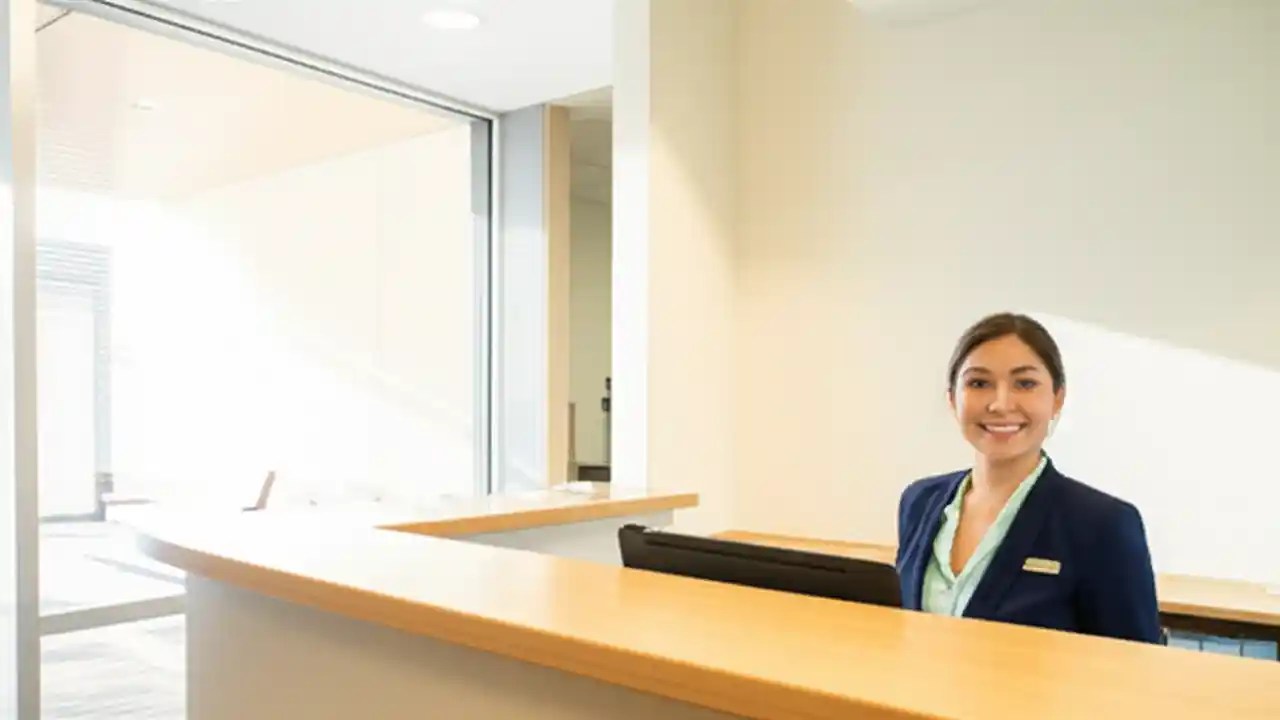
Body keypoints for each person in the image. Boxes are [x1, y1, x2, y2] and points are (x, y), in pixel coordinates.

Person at [895, 312, 1162, 643]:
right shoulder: (920, 502)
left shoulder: (1103, 525)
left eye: (1025, 384)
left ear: (1057, 399)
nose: (1000, 403)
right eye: (979, 383)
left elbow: (1135, 668)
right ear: (952, 399)